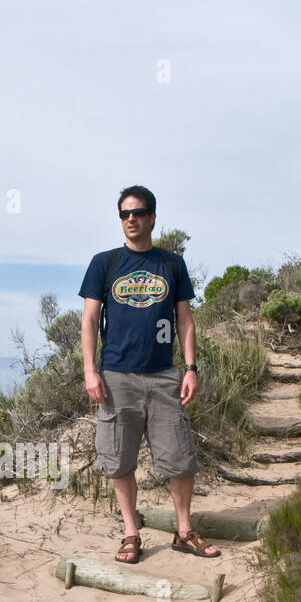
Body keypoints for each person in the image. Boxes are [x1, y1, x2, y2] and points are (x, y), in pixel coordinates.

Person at [79, 185, 220, 564]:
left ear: (153, 217)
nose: (131, 219)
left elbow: (185, 320)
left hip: (163, 376)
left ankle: (184, 531)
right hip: (116, 378)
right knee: (118, 460)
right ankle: (131, 533)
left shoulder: (171, 264)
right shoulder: (104, 263)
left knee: (180, 458)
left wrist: (191, 368)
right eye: (124, 213)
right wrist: (90, 370)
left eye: (138, 212)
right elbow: (90, 320)